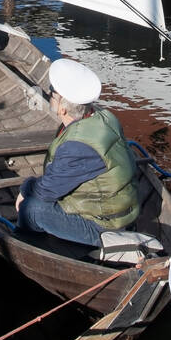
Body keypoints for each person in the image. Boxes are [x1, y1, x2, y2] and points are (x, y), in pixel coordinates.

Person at [15, 59, 140, 248]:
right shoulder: (104, 116)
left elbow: (45, 192)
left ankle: (26, 244)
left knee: (30, 209)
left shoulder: (78, 146)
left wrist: (25, 189)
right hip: (123, 209)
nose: (49, 95)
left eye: (52, 93)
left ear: (63, 108)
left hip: (105, 224)